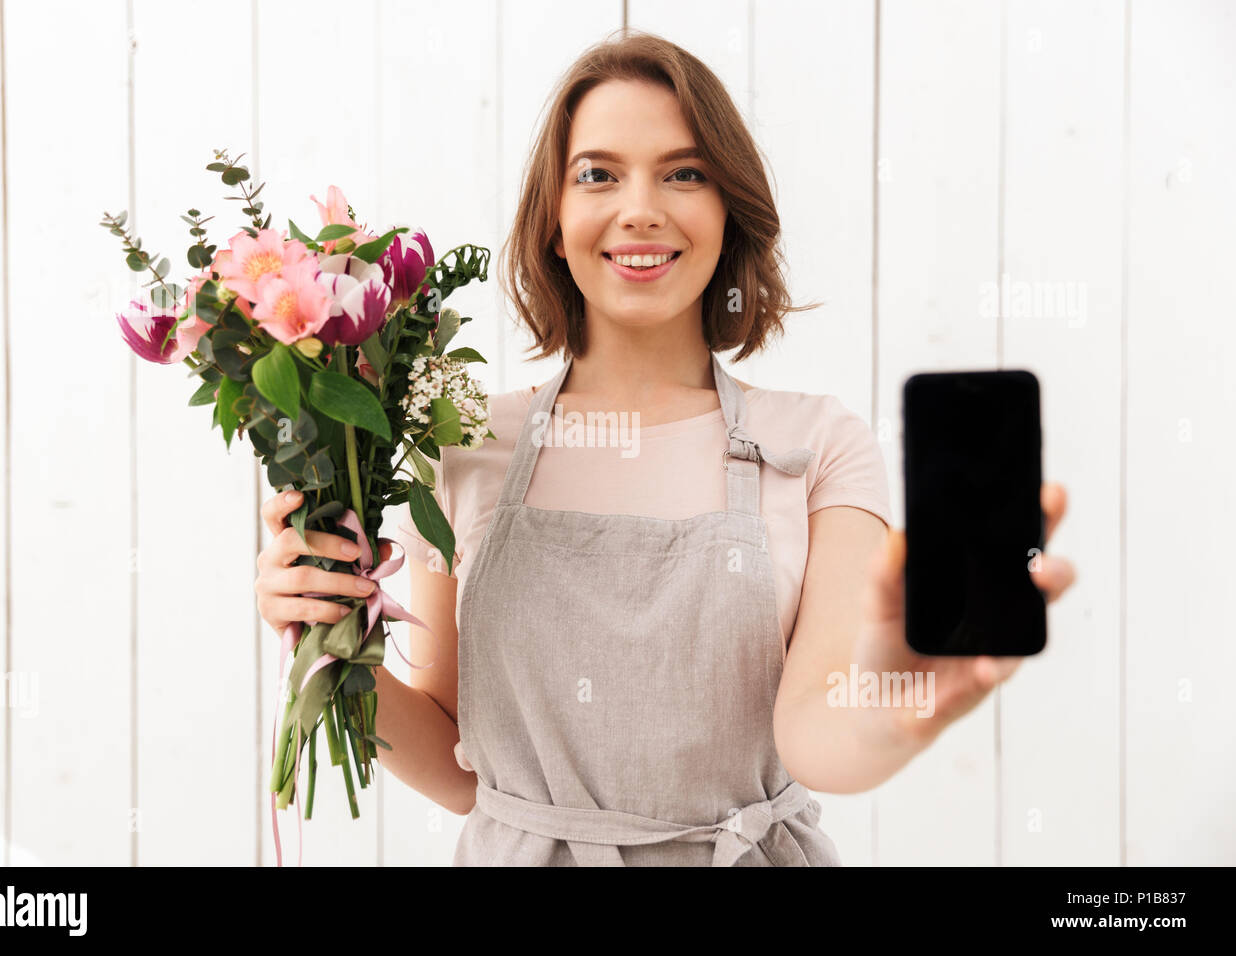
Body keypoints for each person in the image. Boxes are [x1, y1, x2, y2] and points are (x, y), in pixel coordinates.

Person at [253, 30, 1076, 866]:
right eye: (598, 174)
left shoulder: (819, 446)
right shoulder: (462, 442)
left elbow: (817, 733)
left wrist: (898, 699)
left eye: (684, 172)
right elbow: (459, 761)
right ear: (555, 217)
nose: (639, 207)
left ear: (728, 209)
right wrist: (322, 641)